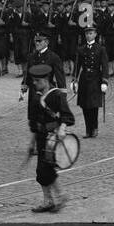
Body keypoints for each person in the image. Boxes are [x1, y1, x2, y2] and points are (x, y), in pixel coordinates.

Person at [25, 63, 75, 213]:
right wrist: (31, 143)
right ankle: (49, 200)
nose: (34, 83)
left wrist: (63, 128)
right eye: (33, 81)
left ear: (45, 81)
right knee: (41, 172)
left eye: (37, 81)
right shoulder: (35, 98)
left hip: (53, 140)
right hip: (41, 138)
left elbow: (67, 115)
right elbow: (34, 124)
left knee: (45, 170)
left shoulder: (57, 95)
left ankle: (60, 196)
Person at [73, 24, 109, 138]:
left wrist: (104, 81)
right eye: (87, 34)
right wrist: (74, 80)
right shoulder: (81, 49)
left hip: (96, 78)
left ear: (95, 34)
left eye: (91, 33)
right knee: (84, 105)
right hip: (84, 78)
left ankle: (94, 128)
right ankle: (88, 129)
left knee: (93, 105)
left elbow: (105, 66)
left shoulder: (101, 49)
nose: (89, 36)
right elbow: (77, 65)